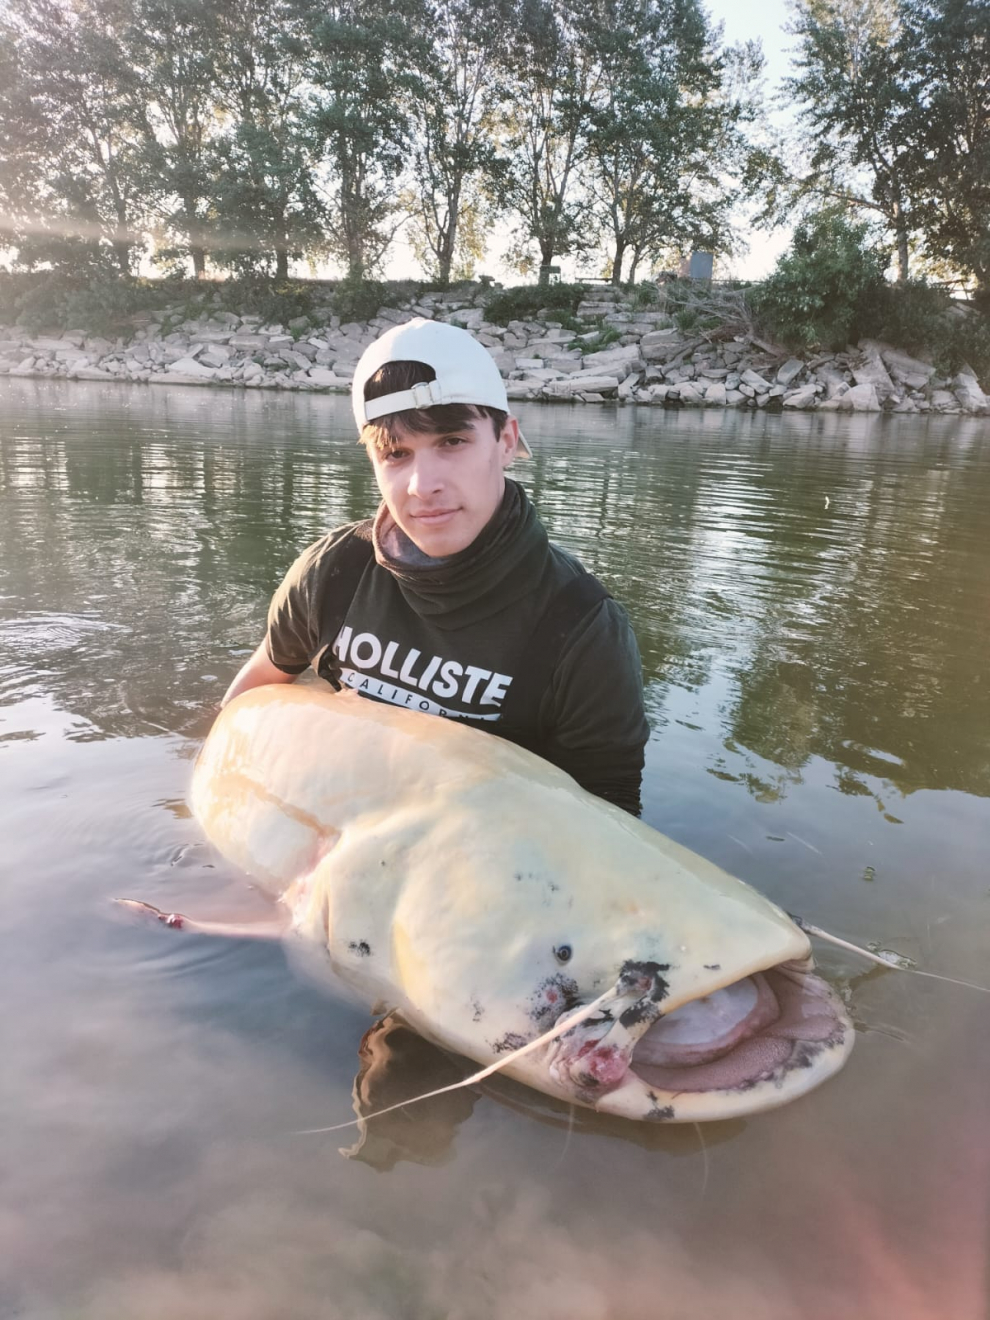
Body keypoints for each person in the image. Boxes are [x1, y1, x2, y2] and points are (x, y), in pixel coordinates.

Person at [222, 317, 649, 814]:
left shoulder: (584, 630)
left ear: (506, 441)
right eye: (396, 453)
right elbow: (248, 706)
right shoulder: (334, 572)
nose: (423, 485)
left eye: (452, 442)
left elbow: (612, 819)